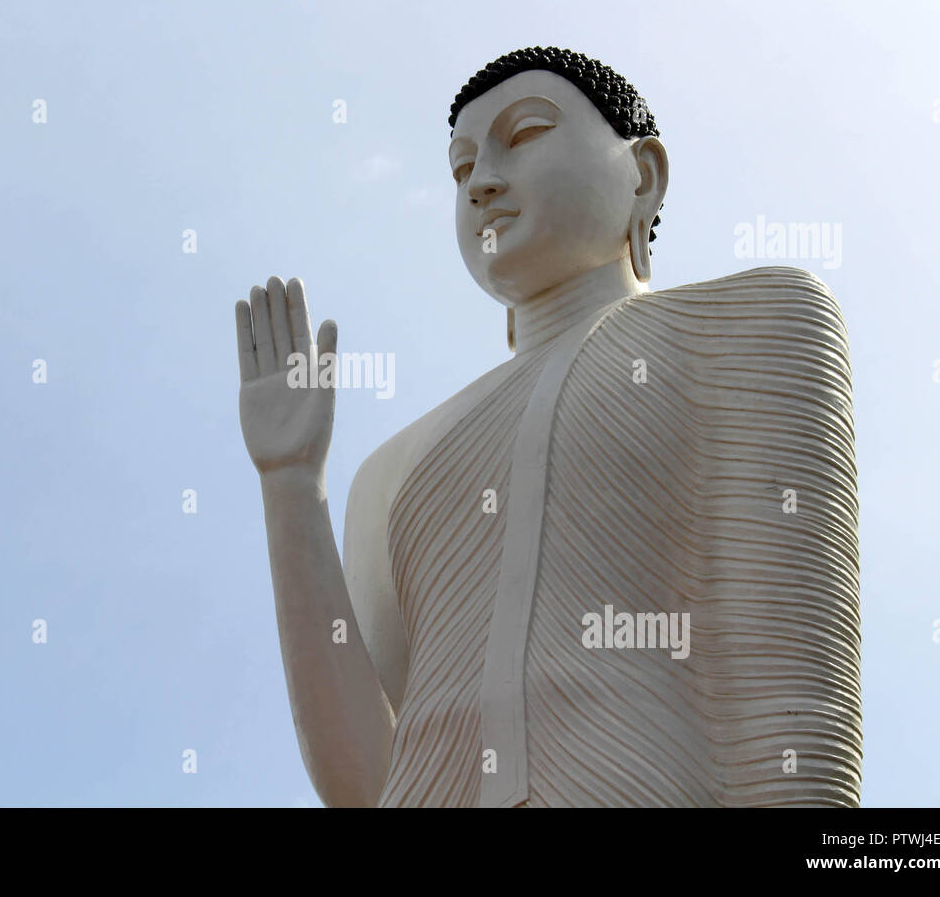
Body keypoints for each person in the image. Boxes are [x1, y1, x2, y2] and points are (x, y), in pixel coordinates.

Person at [234, 47, 862, 807]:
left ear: (645, 174)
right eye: (461, 169)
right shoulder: (392, 471)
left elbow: (789, 684)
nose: (483, 183)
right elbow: (369, 784)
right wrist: (292, 484)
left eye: (525, 135)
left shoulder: (748, 323)